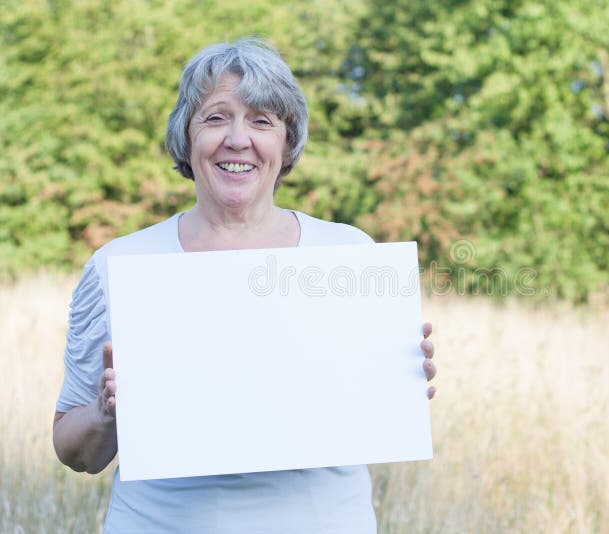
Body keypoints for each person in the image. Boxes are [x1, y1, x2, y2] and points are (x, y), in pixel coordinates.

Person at [52, 37, 437, 533]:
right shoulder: (121, 265)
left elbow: (374, 418)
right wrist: (108, 413)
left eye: (261, 121)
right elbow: (73, 450)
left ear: (286, 142)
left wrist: (397, 378)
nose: (238, 139)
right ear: (185, 137)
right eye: (216, 118)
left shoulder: (349, 256)